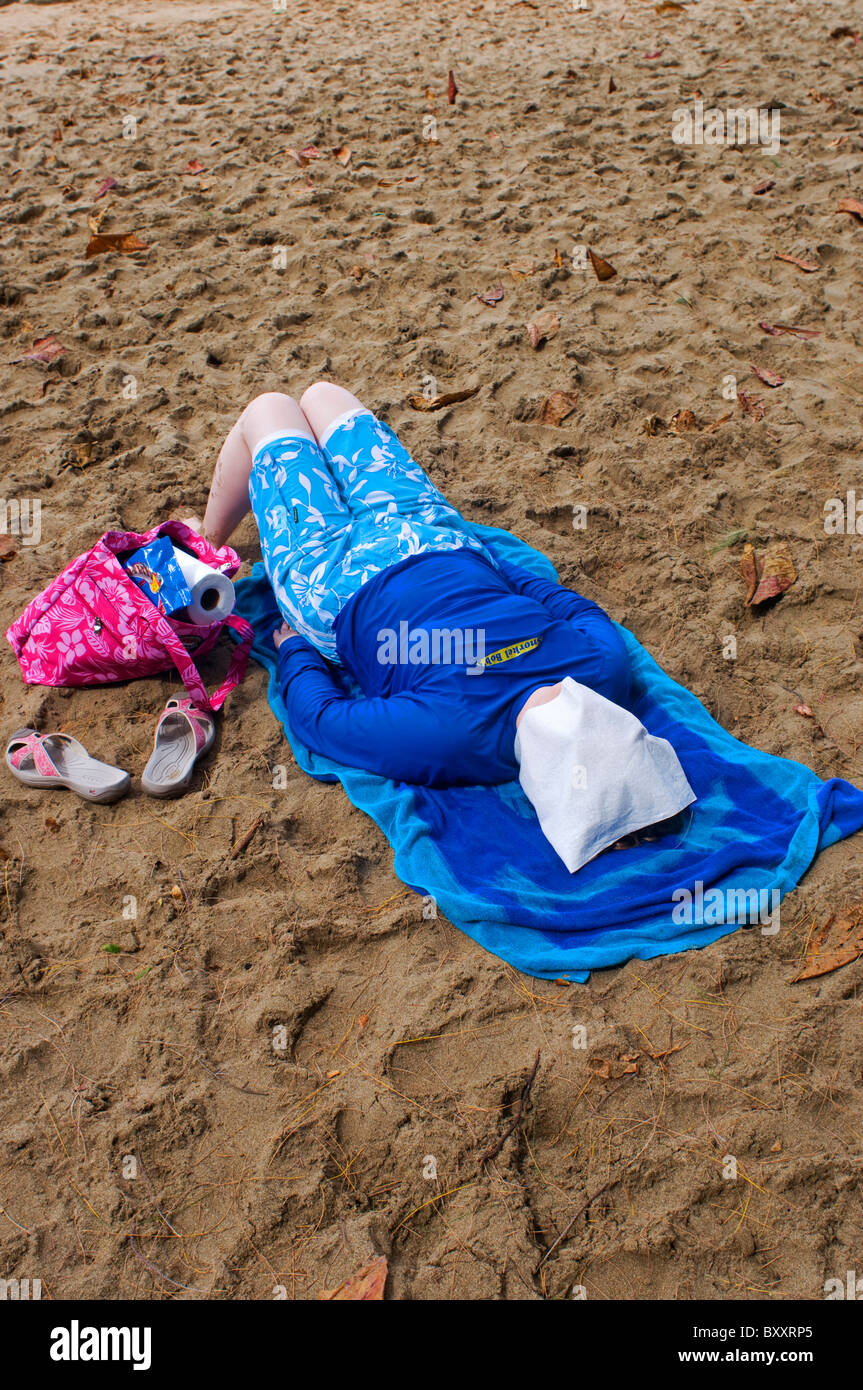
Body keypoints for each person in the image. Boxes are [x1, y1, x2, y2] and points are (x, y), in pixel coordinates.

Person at [189, 383, 695, 868]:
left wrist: (297, 650)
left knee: (269, 411)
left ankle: (207, 538)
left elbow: (321, 720)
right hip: (430, 536)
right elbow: (573, 607)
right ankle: (210, 528)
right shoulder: (602, 676)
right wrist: (495, 569)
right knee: (323, 397)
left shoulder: (455, 735)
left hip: (334, 585)